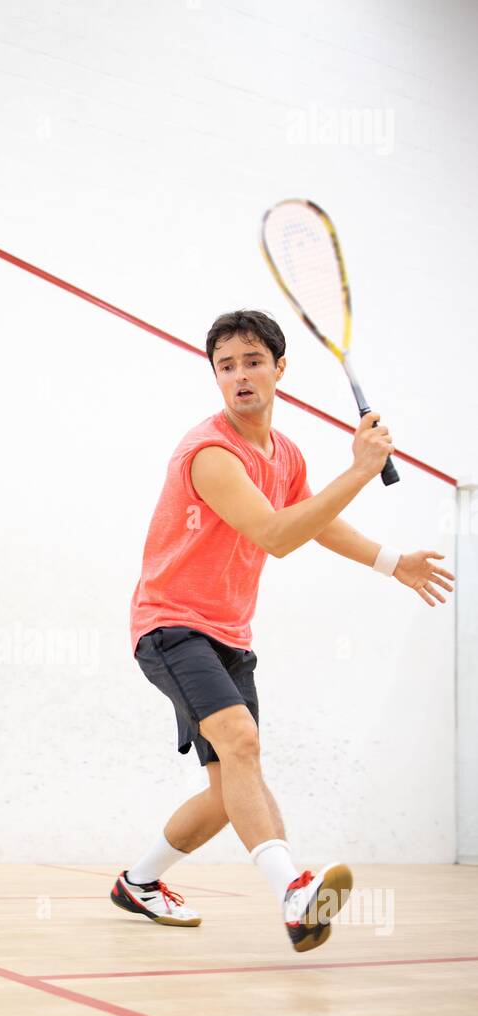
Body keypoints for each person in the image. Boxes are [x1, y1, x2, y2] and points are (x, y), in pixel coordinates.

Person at [112, 309, 454, 951]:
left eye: (252, 361)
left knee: (228, 790)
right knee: (241, 744)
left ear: (279, 369)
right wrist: (358, 470)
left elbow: (314, 521)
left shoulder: (285, 453)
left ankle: (139, 881)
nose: (239, 376)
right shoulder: (209, 452)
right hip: (170, 625)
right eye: (225, 366)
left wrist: (392, 561)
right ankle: (295, 892)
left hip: (230, 635)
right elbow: (275, 534)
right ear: (214, 376)